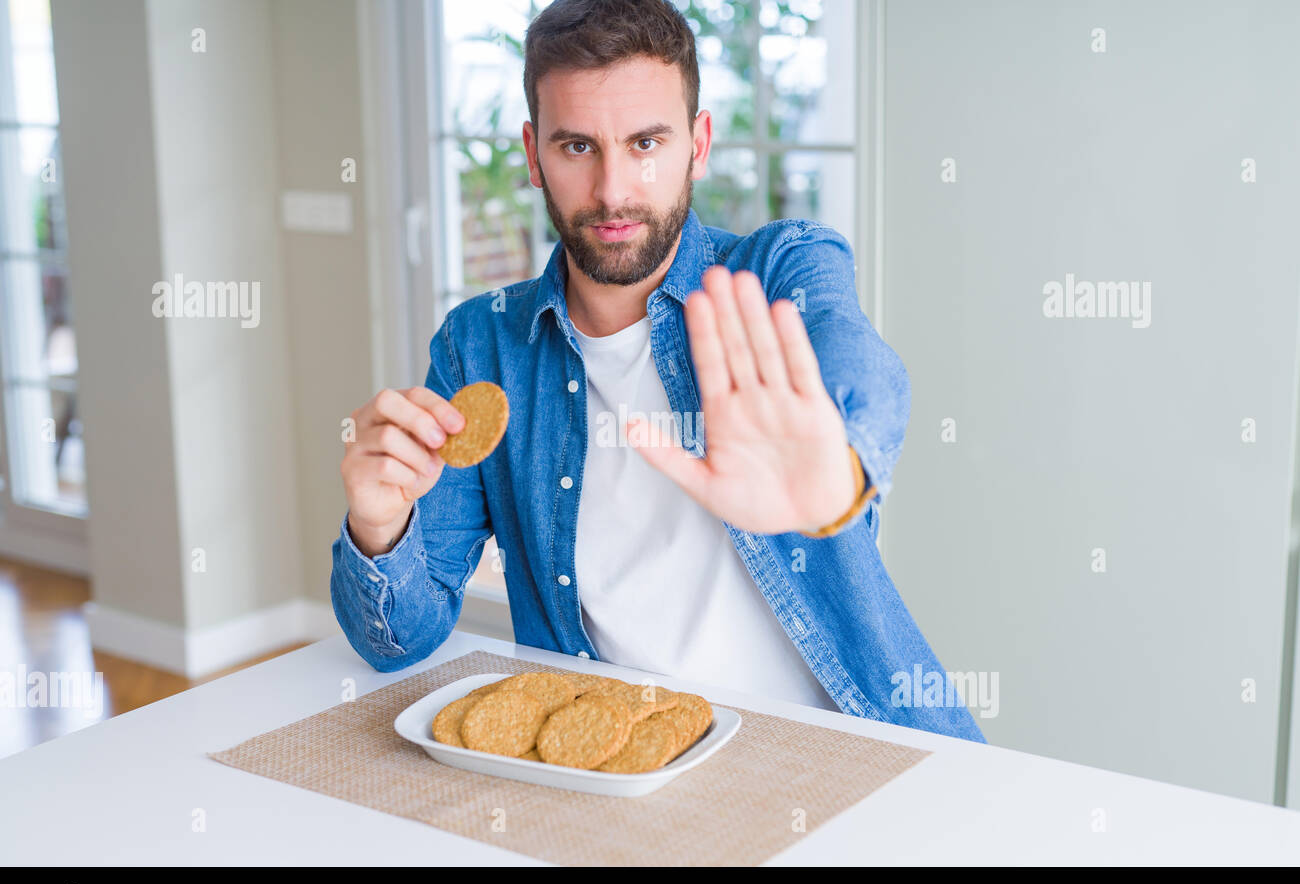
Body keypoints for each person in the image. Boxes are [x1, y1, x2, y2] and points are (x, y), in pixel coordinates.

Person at [332, 0, 985, 743]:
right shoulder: (478, 347)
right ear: (532, 151)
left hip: (846, 749)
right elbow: (398, 643)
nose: (614, 190)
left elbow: (853, 354)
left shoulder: (779, 268)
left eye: (646, 141)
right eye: (578, 147)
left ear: (697, 144)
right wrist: (378, 528)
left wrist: (839, 473)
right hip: (621, 774)